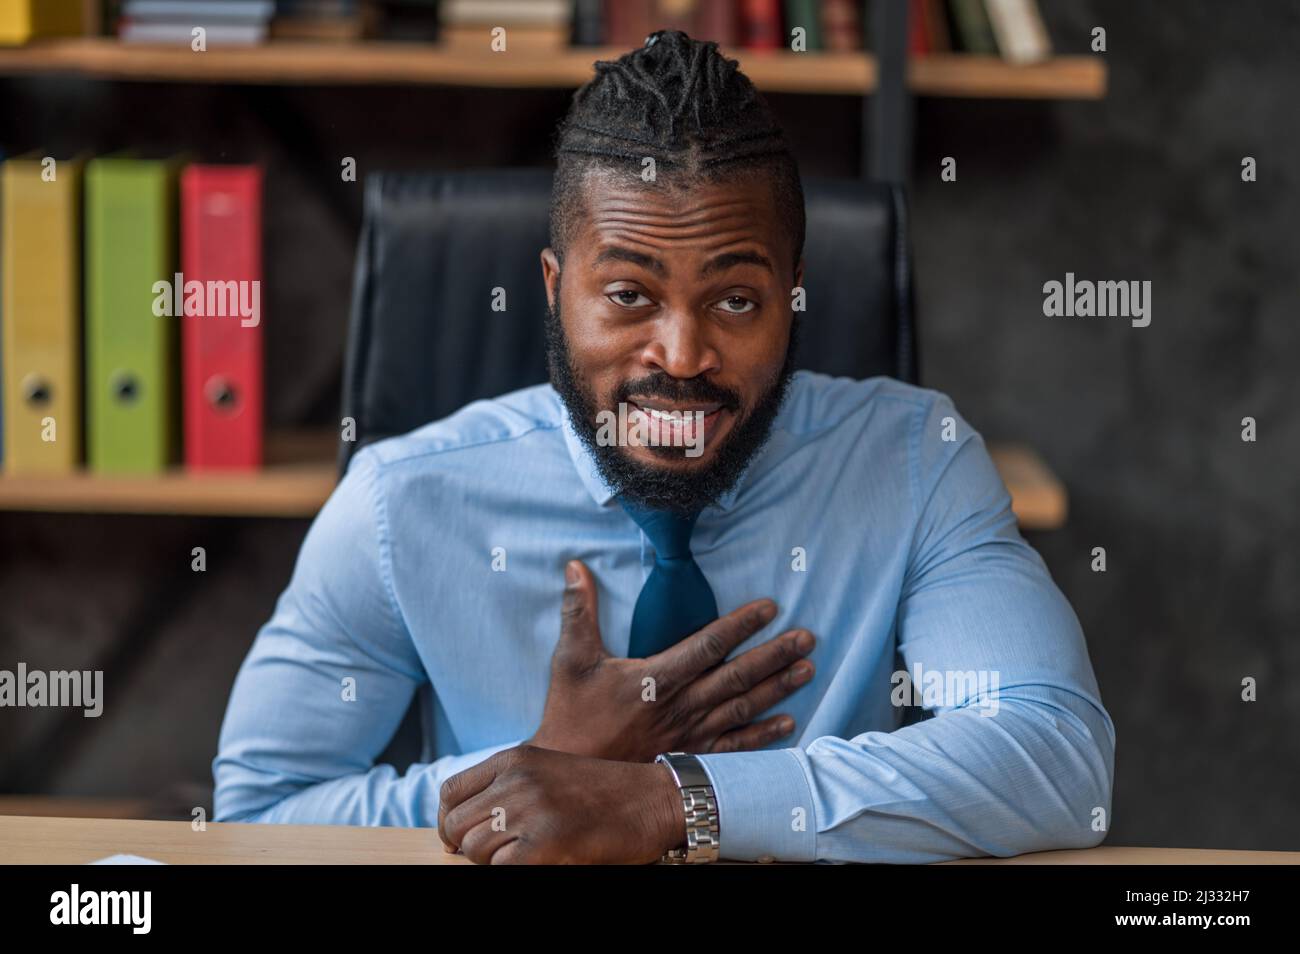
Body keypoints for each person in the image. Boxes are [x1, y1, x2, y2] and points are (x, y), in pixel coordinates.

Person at [213, 30, 1114, 865]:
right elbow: (256, 817)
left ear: (792, 295)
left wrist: (670, 800)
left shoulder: (917, 462)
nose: (682, 357)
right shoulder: (397, 502)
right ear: (556, 289)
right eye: (629, 296)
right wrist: (538, 770)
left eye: (734, 301)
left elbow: (1057, 756)